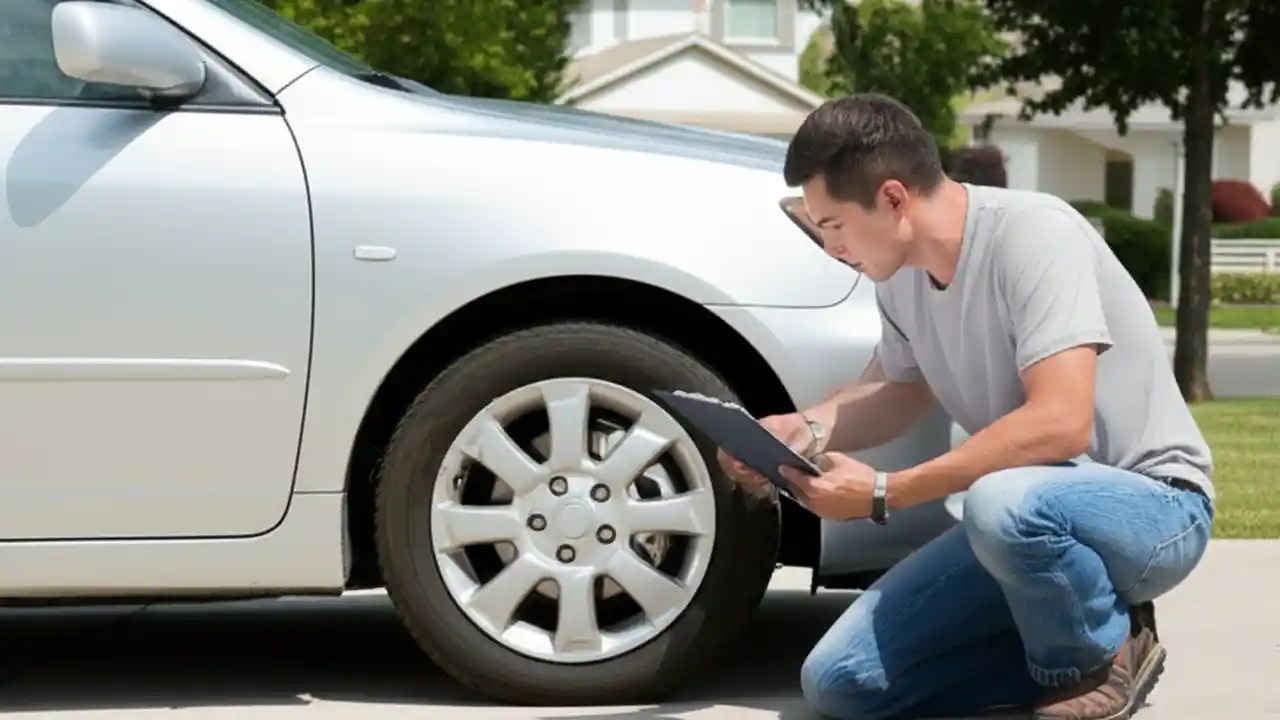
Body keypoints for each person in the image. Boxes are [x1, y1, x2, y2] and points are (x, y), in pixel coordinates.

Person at [718, 93, 1215, 720]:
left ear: (894, 198)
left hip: (1154, 507)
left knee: (998, 502)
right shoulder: (898, 273)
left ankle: (1099, 653)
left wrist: (886, 491)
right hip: (1022, 521)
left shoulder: (1034, 234)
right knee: (841, 684)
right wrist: (802, 432)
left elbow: (1061, 423)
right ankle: (1057, 650)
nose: (828, 246)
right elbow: (896, 392)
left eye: (833, 225)